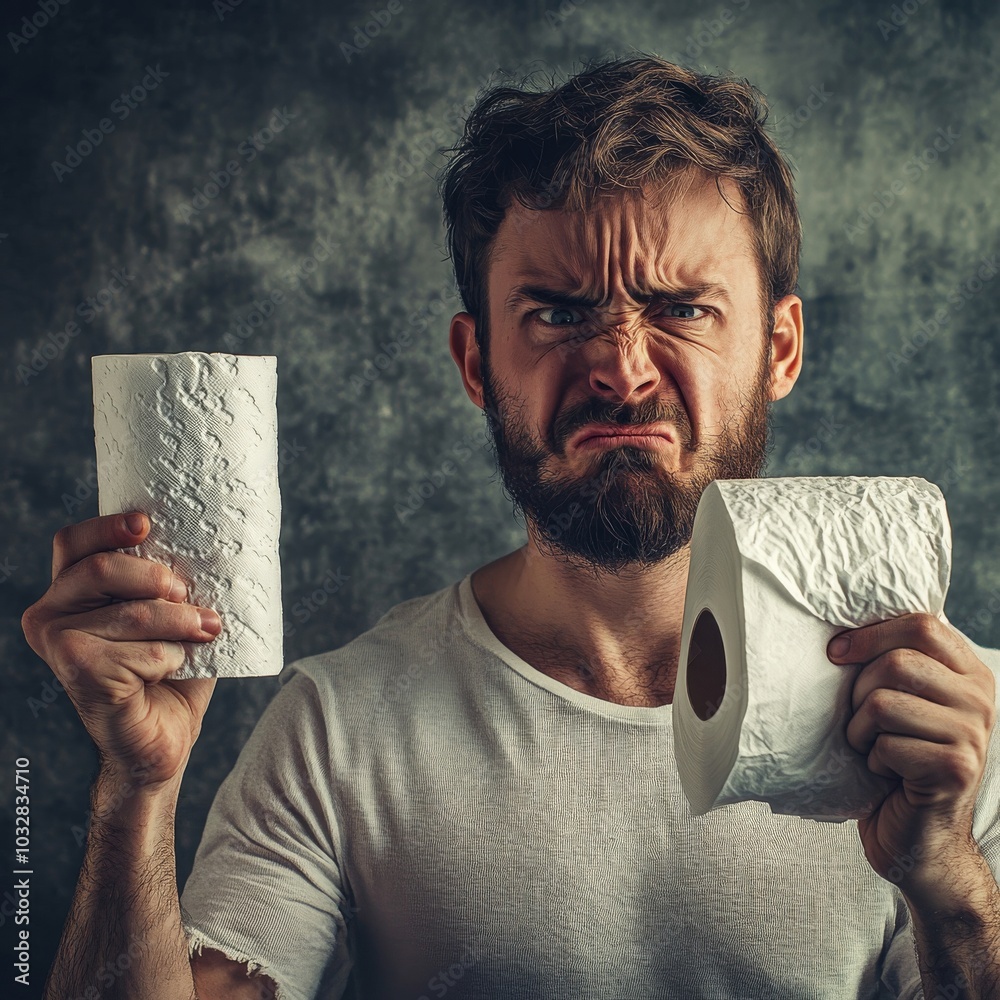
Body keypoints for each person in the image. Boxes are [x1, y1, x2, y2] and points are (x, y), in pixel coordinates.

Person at [21, 53, 1000, 1000]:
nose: (622, 367)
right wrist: (136, 791)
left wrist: (949, 883)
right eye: (558, 313)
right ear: (476, 360)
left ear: (778, 347)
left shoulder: (948, 726)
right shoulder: (338, 728)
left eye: (681, 309)